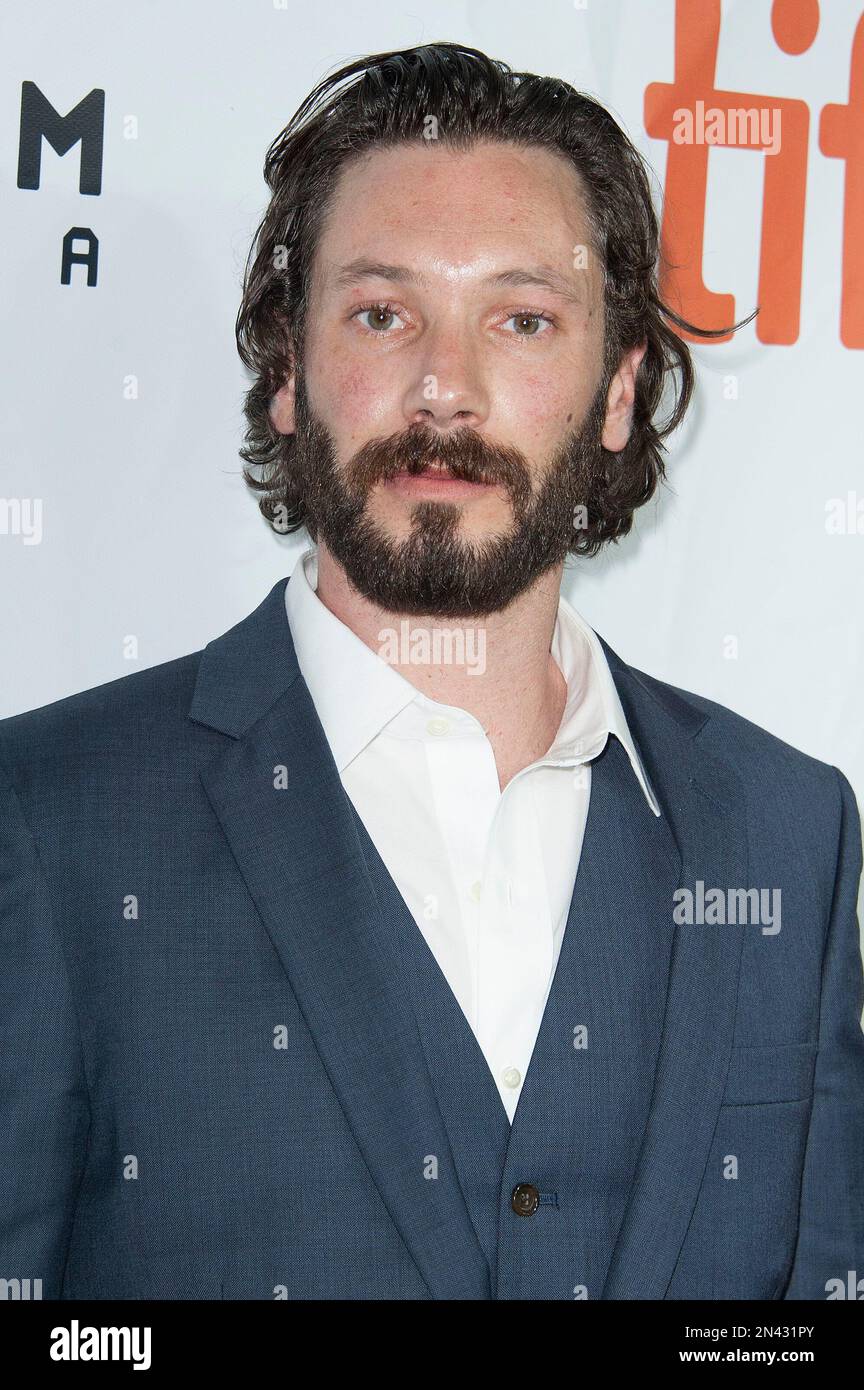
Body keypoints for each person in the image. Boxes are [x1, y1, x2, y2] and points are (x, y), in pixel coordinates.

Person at [1, 42, 862, 1302]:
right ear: (290, 374)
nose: (443, 389)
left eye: (521, 319)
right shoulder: (51, 813)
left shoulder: (784, 830)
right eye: (382, 312)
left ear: (619, 390)